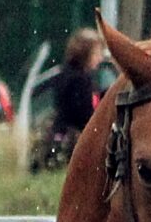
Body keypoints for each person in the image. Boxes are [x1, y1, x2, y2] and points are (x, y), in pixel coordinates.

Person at [34, 28, 104, 171]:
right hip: (71, 144)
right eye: (97, 53)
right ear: (85, 54)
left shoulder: (67, 74)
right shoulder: (79, 80)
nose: (100, 58)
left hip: (60, 138)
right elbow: (84, 116)